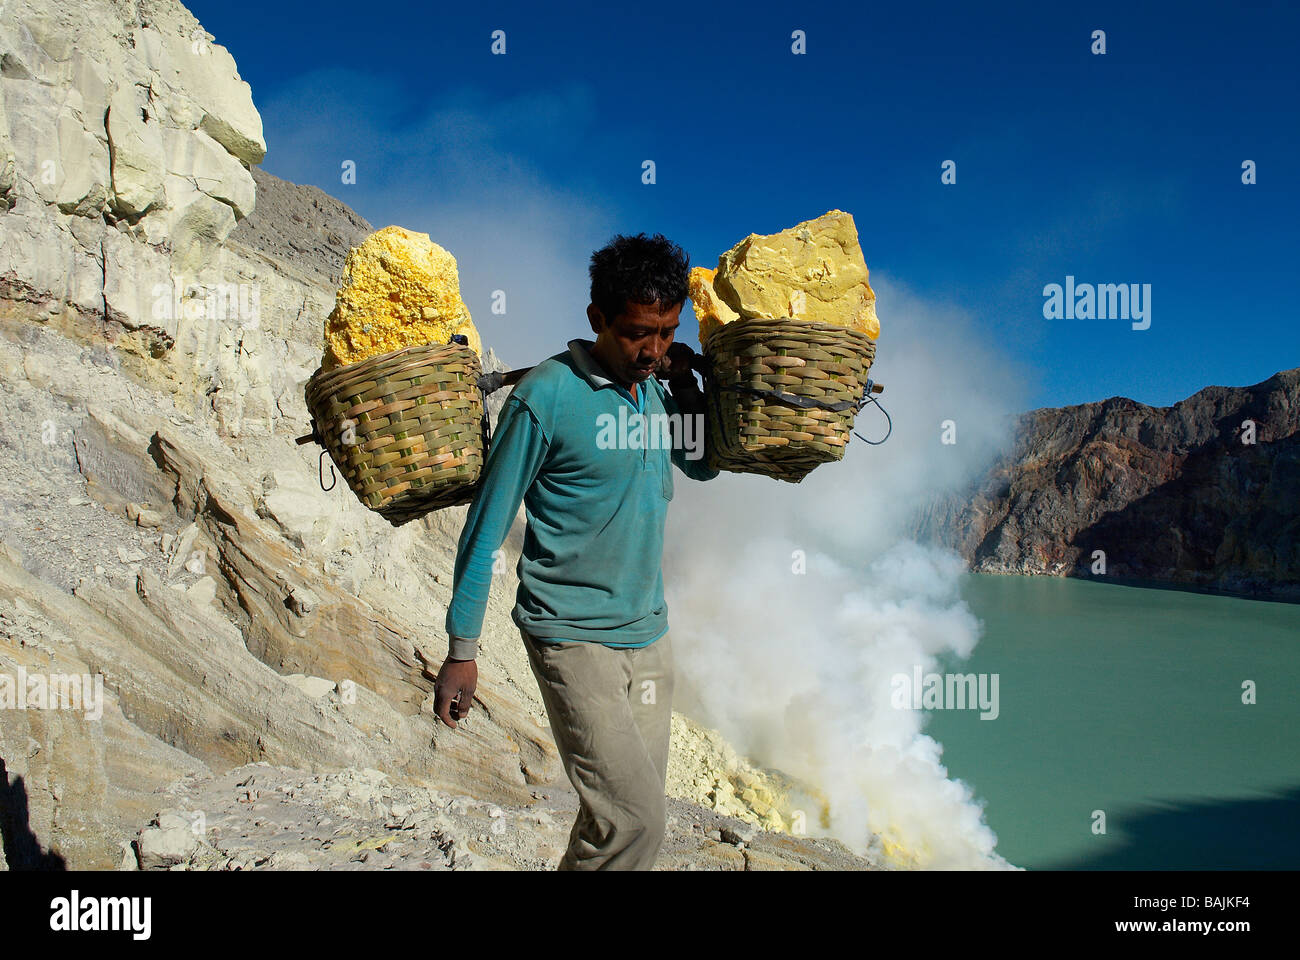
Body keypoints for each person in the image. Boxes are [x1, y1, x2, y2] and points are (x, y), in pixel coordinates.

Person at [433, 232, 718, 870]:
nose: (654, 349)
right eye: (638, 333)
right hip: (572, 638)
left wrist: (688, 389)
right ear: (597, 319)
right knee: (637, 822)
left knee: (611, 821)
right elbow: (485, 528)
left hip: (649, 637)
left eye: (668, 333)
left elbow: (701, 467)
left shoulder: (652, 389)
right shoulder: (547, 397)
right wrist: (461, 651)